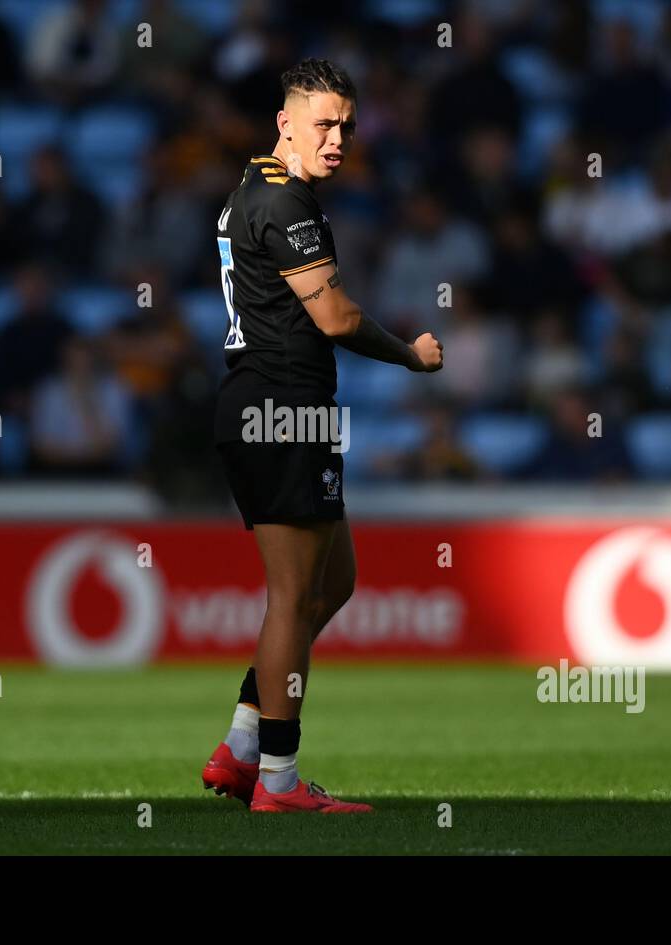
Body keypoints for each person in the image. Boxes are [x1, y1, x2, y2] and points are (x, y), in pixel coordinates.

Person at [204, 58, 442, 814]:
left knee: (332, 584)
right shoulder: (286, 202)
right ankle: (276, 780)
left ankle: (242, 746)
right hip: (279, 408)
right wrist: (409, 353)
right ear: (285, 122)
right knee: (293, 594)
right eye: (323, 123)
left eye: (346, 123)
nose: (338, 138)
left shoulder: (255, 188)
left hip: (280, 406)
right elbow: (334, 318)